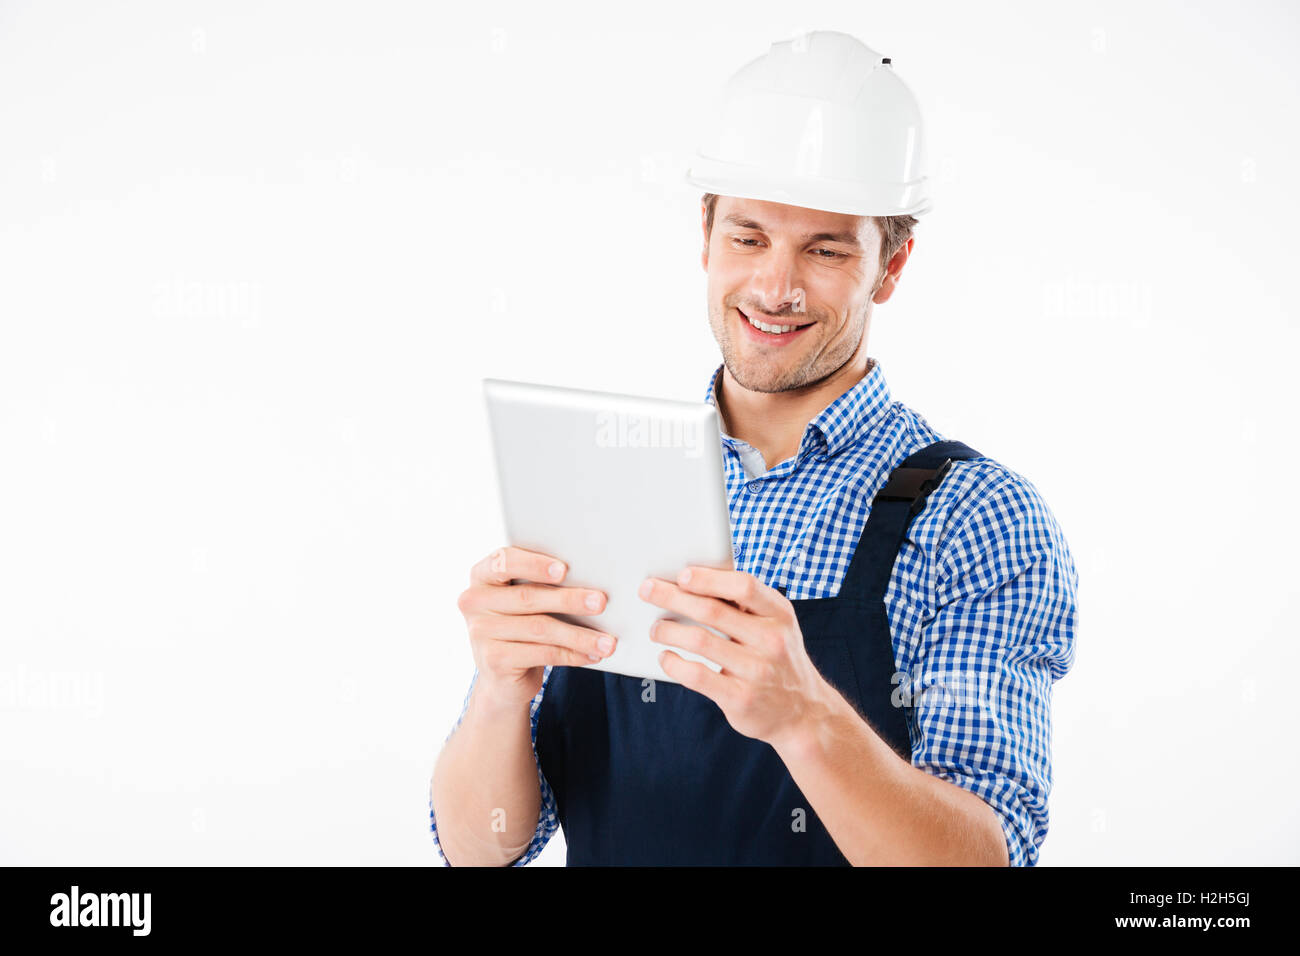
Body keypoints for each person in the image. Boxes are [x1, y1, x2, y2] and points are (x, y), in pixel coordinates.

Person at [429, 30, 1078, 866]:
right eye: (749, 236)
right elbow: (483, 850)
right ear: (705, 234)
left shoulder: (976, 519)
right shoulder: (610, 483)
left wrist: (805, 717)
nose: (776, 287)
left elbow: (988, 860)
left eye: (826, 248)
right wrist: (498, 690)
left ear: (891, 265)